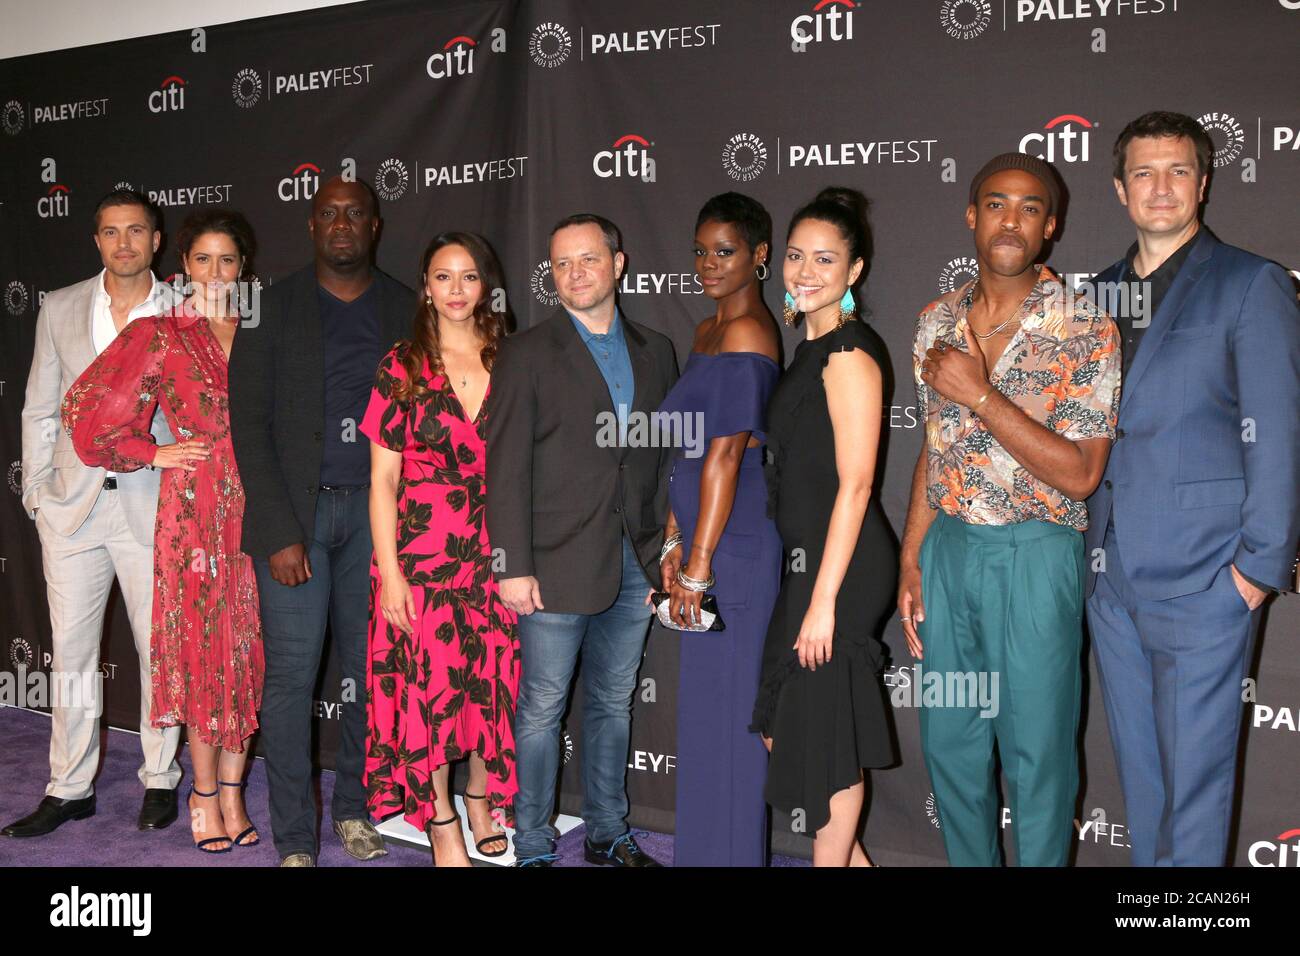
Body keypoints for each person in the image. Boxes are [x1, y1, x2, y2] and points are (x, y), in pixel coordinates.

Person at [1084, 111, 1300, 867]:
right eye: (1144, 172)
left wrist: (1256, 571)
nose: (1161, 187)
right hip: (1111, 581)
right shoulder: (1098, 294)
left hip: (1207, 577)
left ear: (1204, 182)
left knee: (1197, 789)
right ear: (1120, 188)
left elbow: (1278, 432)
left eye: (1178, 170)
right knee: (1144, 782)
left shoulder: (1251, 283)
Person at [898, 154, 1120, 866]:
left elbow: (1082, 475)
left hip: (1033, 555)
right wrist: (911, 557)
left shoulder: (1086, 328)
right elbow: (934, 449)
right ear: (972, 214)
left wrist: (982, 394)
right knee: (952, 748)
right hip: (948, 552)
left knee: (1037, 756)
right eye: (997, 204)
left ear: (1050, 226)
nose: (1011, 221)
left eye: (1030, 208)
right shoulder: (936, 320)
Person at [62, 209, 265, 853]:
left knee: (245, 657)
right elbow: (87, 413)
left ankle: (234, 792)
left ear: (243, 268)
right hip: (194, 513)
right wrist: (155, 453)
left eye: (227, 260)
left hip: (260, 510)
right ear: (183, 268)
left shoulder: (263, 329)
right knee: (204, 654)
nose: (215, 272)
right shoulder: (161, 333)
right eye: (202, 260)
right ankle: (204, 793)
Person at [228, 177, 415, 867]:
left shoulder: (405, 307)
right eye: (328, 213)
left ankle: (356, 811)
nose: (342, 225)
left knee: (372, 675)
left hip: (377, 518)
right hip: (296, 521)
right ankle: (296, 839)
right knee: (290, 679)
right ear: (311, 226)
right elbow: (248, 425)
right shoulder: (271, 308)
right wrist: (279, 530)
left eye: (355, 213)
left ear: (375, 225)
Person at [487, 214, 678, 867]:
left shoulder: (657, 350)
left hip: (635, 560)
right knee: (541, 707)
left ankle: (606, 831)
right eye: (561, 264)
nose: (574, 274)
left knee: (613, 701)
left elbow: (657, 461)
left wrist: (665, 556)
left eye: (588, 260)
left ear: (618, 264)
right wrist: (510, 563)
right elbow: (505, 465)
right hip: (552, 562)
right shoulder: (526, 352)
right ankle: (534, 843)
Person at [4, 190, 183, 842]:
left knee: (157, 651)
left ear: (156, 239)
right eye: (111, 232)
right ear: (97, 239)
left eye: (136, 231)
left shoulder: (183, 311)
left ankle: (161, 778)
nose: (124, 243)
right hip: (72, 511)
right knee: (72, 658)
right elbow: (38, 407)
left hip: (151, 507)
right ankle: (69, 787)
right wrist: (37, 497)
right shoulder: (60, 307)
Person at [360, 232, 520, 866]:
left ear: (487, 284)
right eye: (443, 277)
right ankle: (442, 818)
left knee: (491, 683)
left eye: (469, 277)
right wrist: (391, 576)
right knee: (428, 691)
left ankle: (481, 798)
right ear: (425, 285)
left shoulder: (512, 355)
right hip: (421, 558)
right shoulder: (401, 364)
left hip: (496, 554)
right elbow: (382, 481)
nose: (456, 290)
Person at [750, 187, 895, 867]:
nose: (805, 271)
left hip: (846, 566)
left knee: (825, 733)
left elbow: (858, 484)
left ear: (854, 271)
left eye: (826, 259)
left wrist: (825, 602)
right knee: (787, 727)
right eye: (797, 256)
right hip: (809, 562)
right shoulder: (807, 348)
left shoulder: (848, 353)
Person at [656, 193, 781, 866]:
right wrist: (677, 543)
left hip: (734, 547)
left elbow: (726, 455)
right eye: (701, 251)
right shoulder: (709, 330)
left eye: (724, 251)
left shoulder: (748, 333)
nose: (708, 263)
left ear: (759, 256)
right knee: (706, 723)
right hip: (705, 538)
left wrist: (699, 567)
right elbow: (688, 448)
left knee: (733, 725)